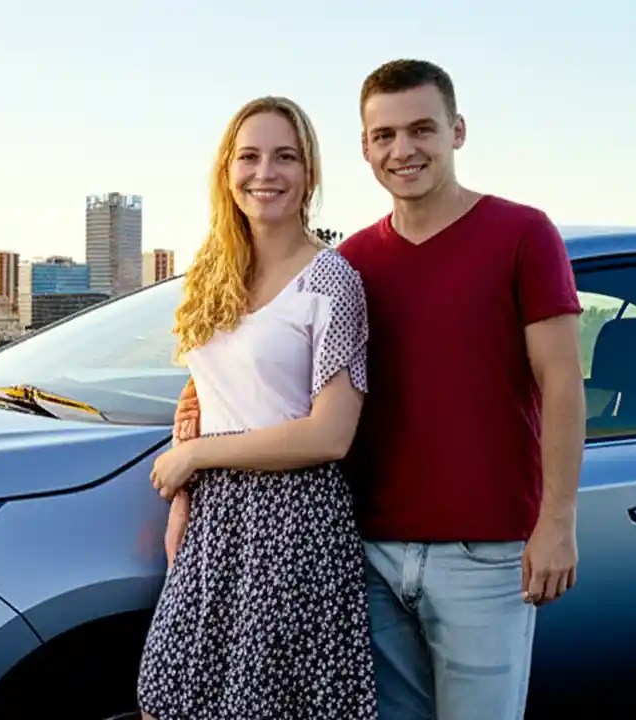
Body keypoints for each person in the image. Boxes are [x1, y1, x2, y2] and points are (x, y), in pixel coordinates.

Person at [171, 59, 586, 720]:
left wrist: (557, 522)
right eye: (384, 135)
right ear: (363, 148)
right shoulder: (353, 262)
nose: (402, 150)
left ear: (457, 131)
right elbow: (266, 366)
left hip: (483, 552)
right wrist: (193, 415)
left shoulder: (522, 234)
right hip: (366, 551)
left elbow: (562, 382)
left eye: (421, 129)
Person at [136, 95, 378, 720]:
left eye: (284, 157)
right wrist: (183, 503)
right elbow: (207, 392)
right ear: (226, 170)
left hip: (293, 522)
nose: (264, 173)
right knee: (167, 695)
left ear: (309, 173)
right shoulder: (213, 273)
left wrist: (195, 457)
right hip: (215, 520)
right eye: (249, 157)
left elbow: (330, 435)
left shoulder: (331, 281)